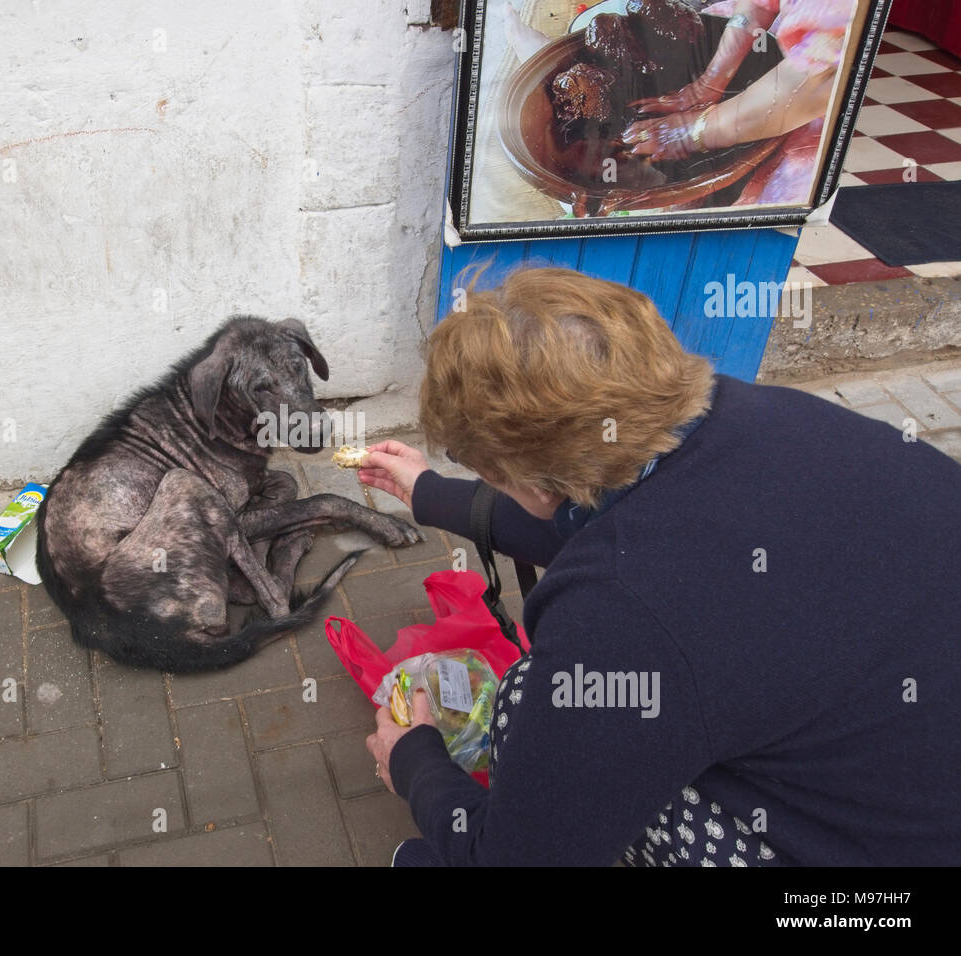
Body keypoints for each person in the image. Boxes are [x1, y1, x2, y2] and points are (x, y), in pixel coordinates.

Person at [359, 266, 961, 866]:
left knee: (528, 703)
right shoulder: (758, 414)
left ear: (520, 475)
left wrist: (418, 763)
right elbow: (595, 515)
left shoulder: (625, 614)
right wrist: (430, 492)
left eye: (478, 463)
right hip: (904, 775)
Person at [621, 0, 858, 204]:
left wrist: (693, 131)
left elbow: (824, 78)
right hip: (785, 45)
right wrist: (710, 81)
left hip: (805, 103)